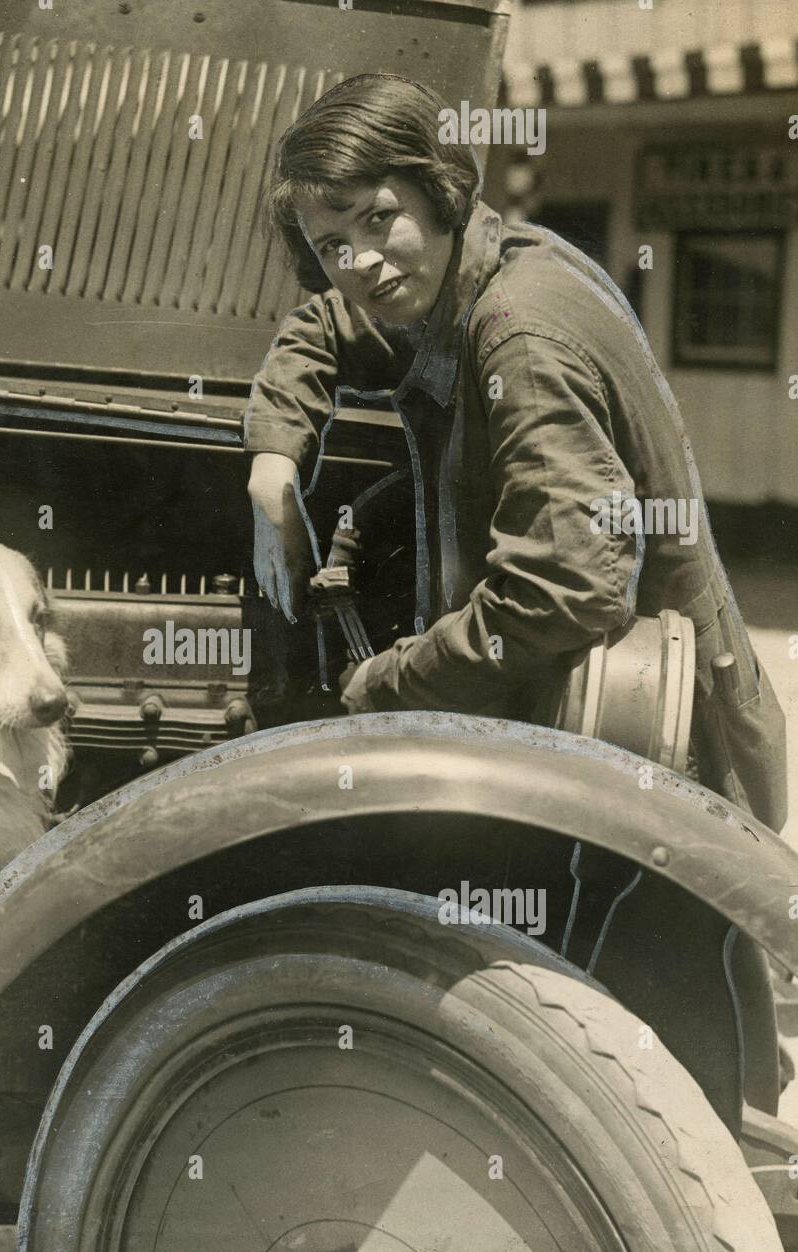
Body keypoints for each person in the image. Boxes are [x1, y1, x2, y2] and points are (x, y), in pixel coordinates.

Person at [244, 72, 785, 833]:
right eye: (332, 244)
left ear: (438, 191)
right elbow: (322, 327)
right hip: (614, 731)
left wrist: (388, 682)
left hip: (657, 766)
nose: (359, 261)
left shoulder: (516, 336)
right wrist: (273, 474)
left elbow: (561, 586)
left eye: (379, 218)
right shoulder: (471, 266)